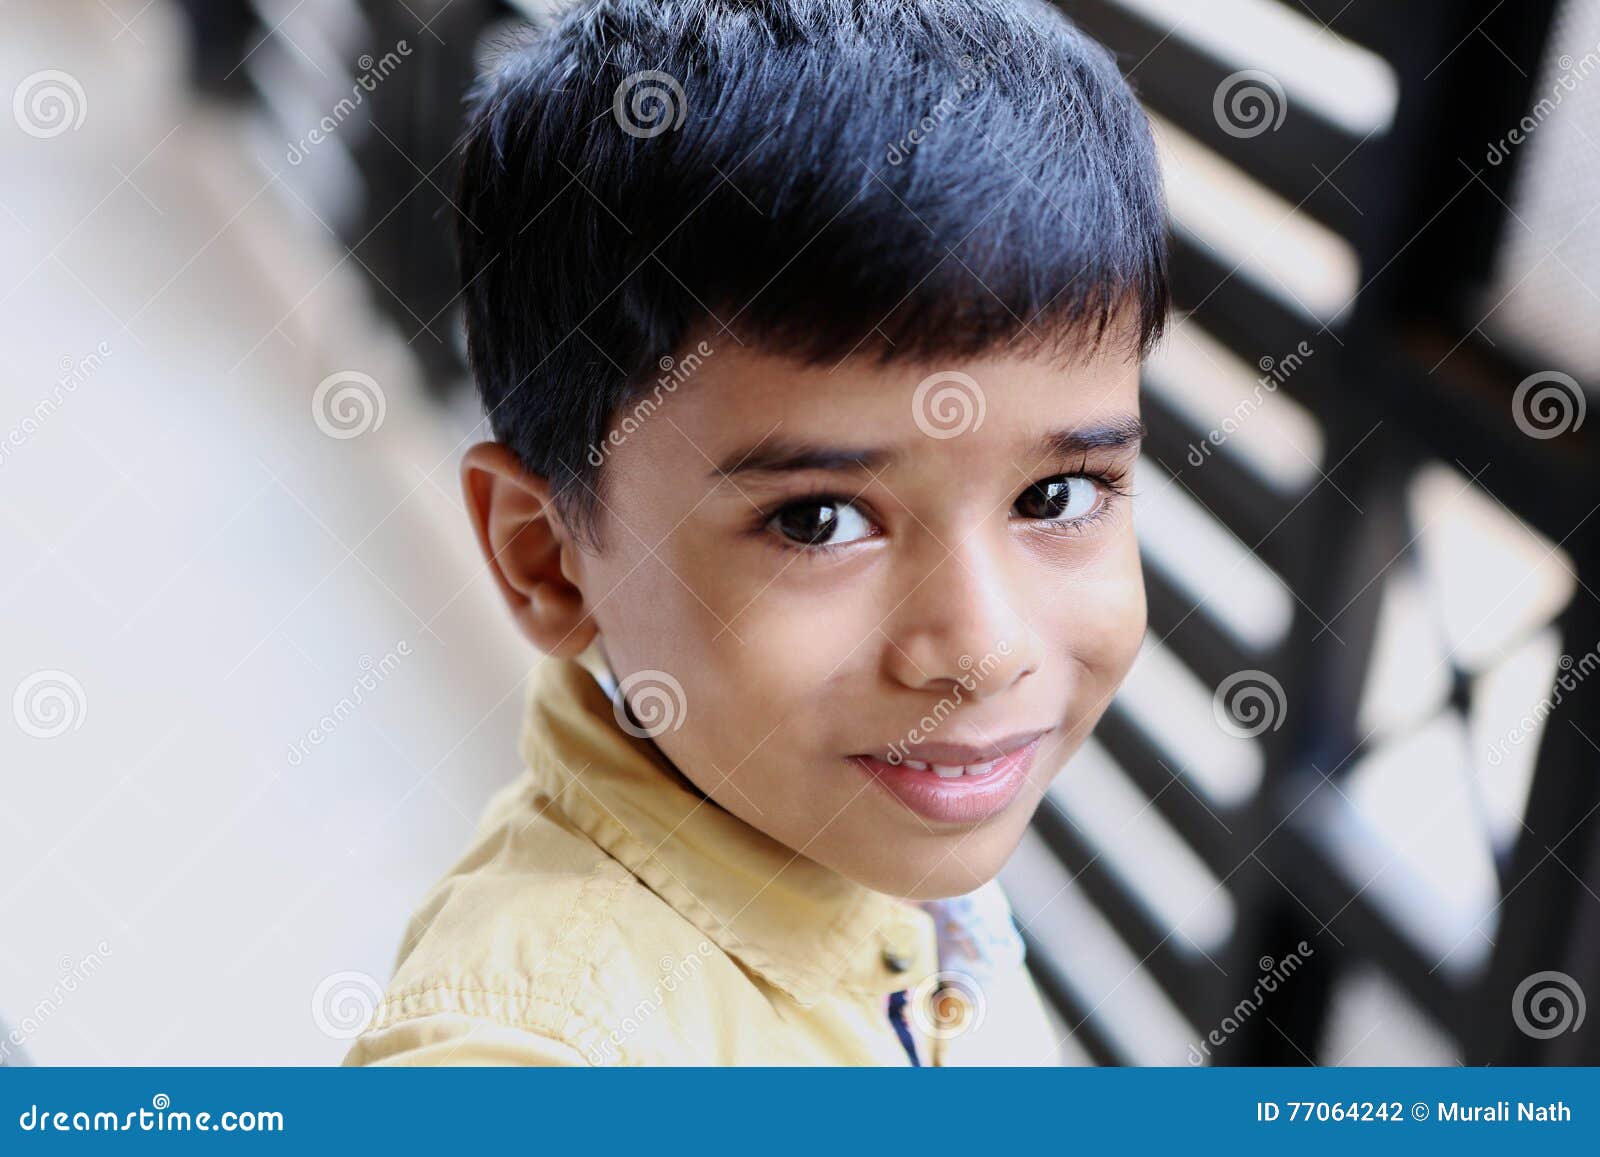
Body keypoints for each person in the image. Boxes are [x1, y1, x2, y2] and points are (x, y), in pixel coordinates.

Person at [345, 0, 1166, 1066]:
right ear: (547, 559)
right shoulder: (536, 1052)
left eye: (1056, 496)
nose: (981, 647)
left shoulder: (880, 858)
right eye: (817, 520)